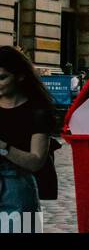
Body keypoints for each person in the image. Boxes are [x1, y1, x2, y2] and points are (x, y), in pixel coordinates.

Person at [0, 46, 53, 231]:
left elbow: (36, 161)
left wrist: (3, 147)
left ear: (20, 77)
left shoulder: (37, 111)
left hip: (17, 187)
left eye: (2, 77)